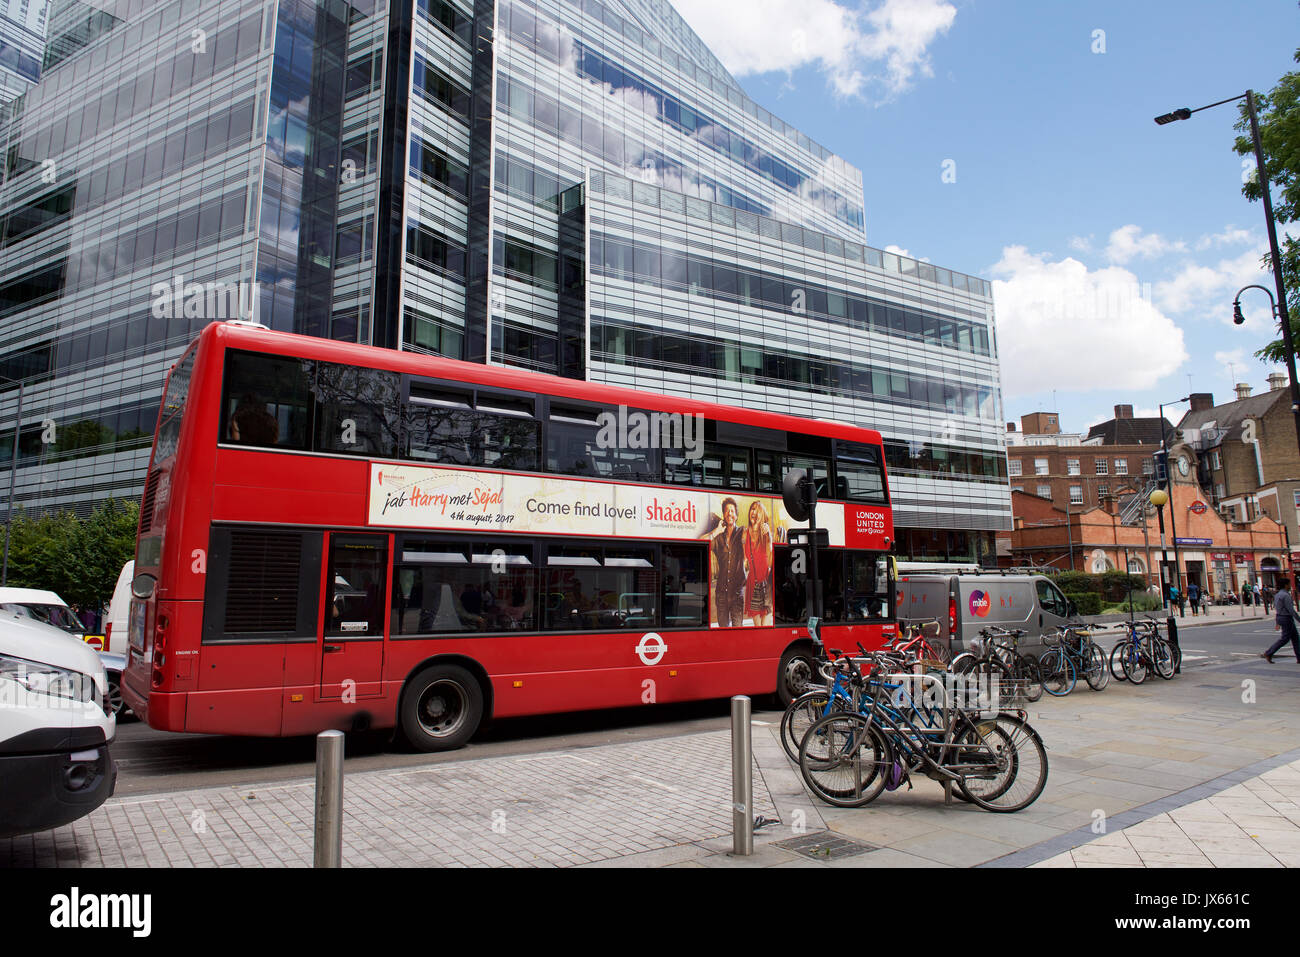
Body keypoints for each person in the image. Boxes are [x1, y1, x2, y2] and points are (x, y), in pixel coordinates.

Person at [702, 497, 746, 627]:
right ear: (723, 515)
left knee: (738, 630)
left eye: (732, 511)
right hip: (721, 593)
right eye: (727, 511)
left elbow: (754, 538)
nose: (729, 513)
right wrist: (716, 531)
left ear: (736, 515)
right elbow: (700, 542)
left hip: (737, 593)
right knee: (722, 632)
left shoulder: (742, 532)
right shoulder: (719, 537)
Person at [743, 500, 774, 627]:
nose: (753, 512)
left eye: (757, 509)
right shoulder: (745, 534)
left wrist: (769, 537)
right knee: (757, 627)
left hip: (766, 583)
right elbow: (743, 557)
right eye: (752, 509)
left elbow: (770, 557)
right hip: (753, 583)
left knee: (765, 626)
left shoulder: (765, 534)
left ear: (762, 514)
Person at [1263, 578, 1300, 663]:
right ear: (1286, 585)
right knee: (1285, 638)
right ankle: (1269, 653)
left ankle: (1299, 657)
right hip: (1286, 618)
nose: (1290, 586)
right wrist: (1299, 619)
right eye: (1289, 584)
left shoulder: (1278, 595)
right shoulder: (1286, 595)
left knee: (1295, 638)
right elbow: (1291, 610)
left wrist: (1277, 622)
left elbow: (1277, 608)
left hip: (1280, 616)